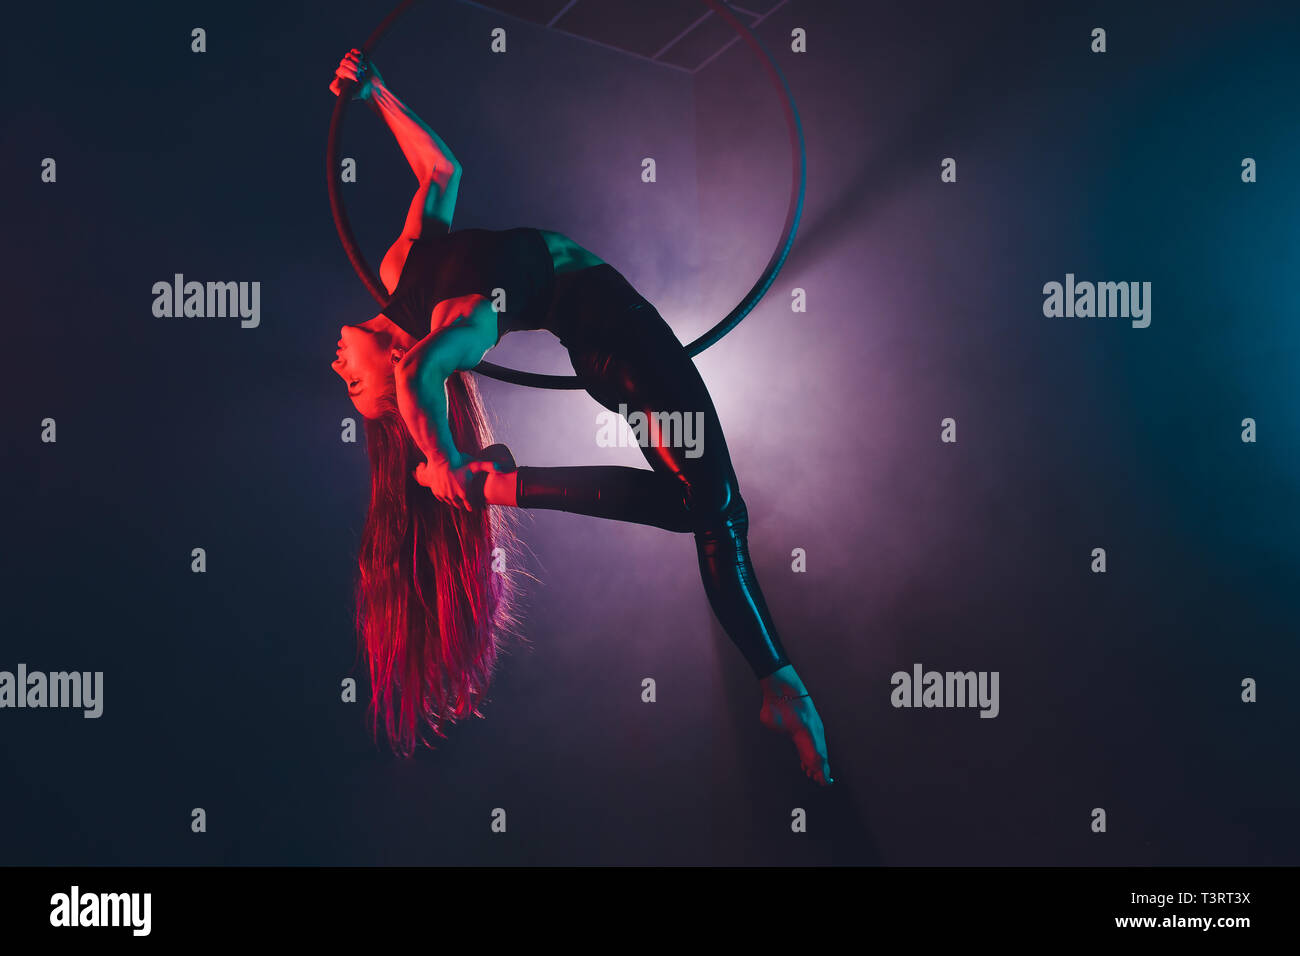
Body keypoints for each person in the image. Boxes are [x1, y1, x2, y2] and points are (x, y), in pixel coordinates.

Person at [329, 49, 832, 785]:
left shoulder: (402, 268)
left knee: (710, 509)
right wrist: (443, 465)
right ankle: (780, 684)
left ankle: (779, 684)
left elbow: (441, 173)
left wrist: (378, 93)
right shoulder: (460, 327)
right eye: (351, 388)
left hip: (617, 349)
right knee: (714, 509)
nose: (338, 369)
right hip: (624, 349)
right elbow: (416, 373)